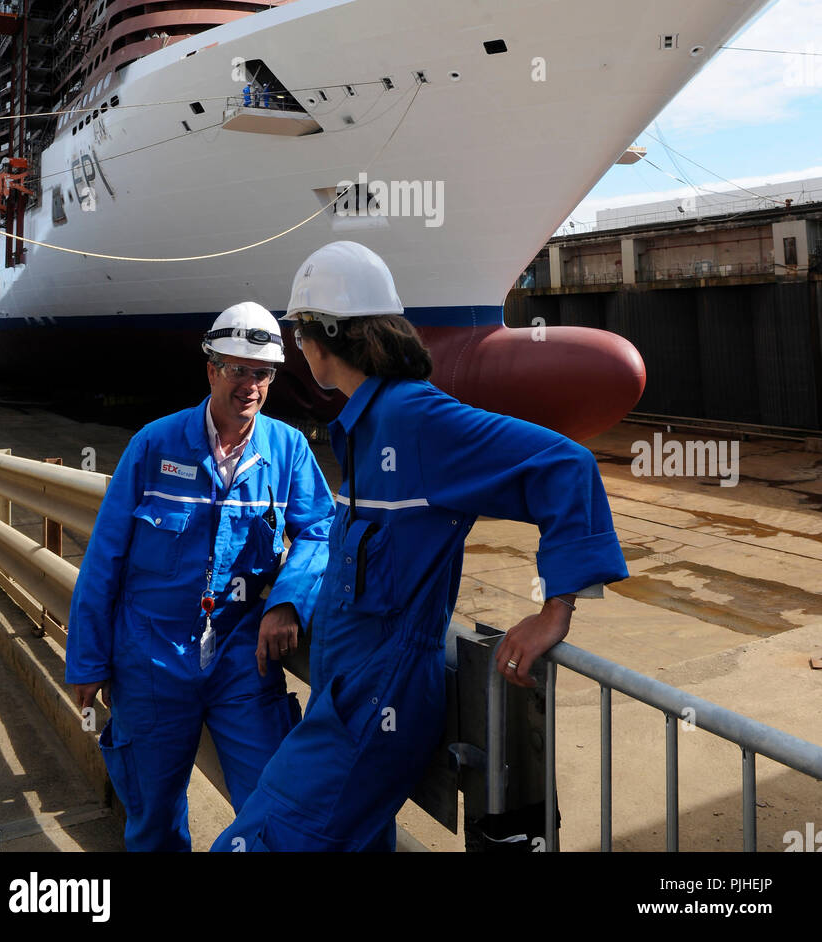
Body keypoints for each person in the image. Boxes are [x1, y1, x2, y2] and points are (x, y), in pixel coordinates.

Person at [210, 242, 629, 854]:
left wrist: (555, 611)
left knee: (260, 840)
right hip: (346, 690)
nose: (298, 347)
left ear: (326, 336)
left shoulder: (416, 419)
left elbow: (564, 463)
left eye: (300, 332)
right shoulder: (366, 423)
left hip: (380, 697)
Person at [65, 302, 335, 852]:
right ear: (211, 368)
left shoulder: (287, 451)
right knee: (154, 822)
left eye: (262, 373)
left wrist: (288, 601)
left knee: (272, 809)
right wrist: (88, 660)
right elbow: (104, 561)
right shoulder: (153, 445)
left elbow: (323, 531)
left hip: (242, 660)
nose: (251, 385)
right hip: (151, 660)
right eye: (238, 369)